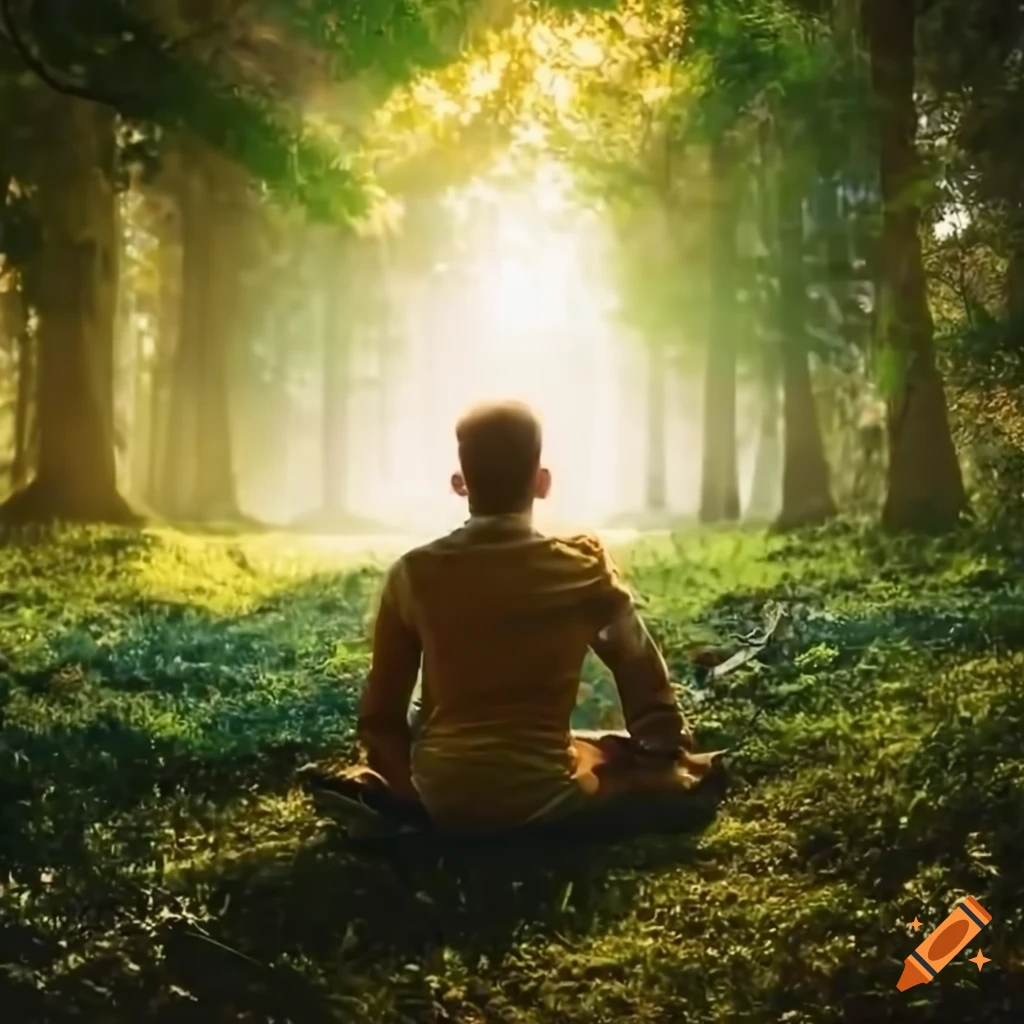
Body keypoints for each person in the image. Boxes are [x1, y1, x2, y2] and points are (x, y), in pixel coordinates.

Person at [302, 400, 724, 838]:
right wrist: (666, 753)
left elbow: (381, 716)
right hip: (547, 793)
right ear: (542, 482)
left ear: (460, 483)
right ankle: (645, 787)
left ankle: (386, 799)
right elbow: (639, 670)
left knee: (585, 748)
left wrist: (409, 790)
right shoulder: (583, 568)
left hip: (439, 788)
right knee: (622, 759)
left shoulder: (413, 574)